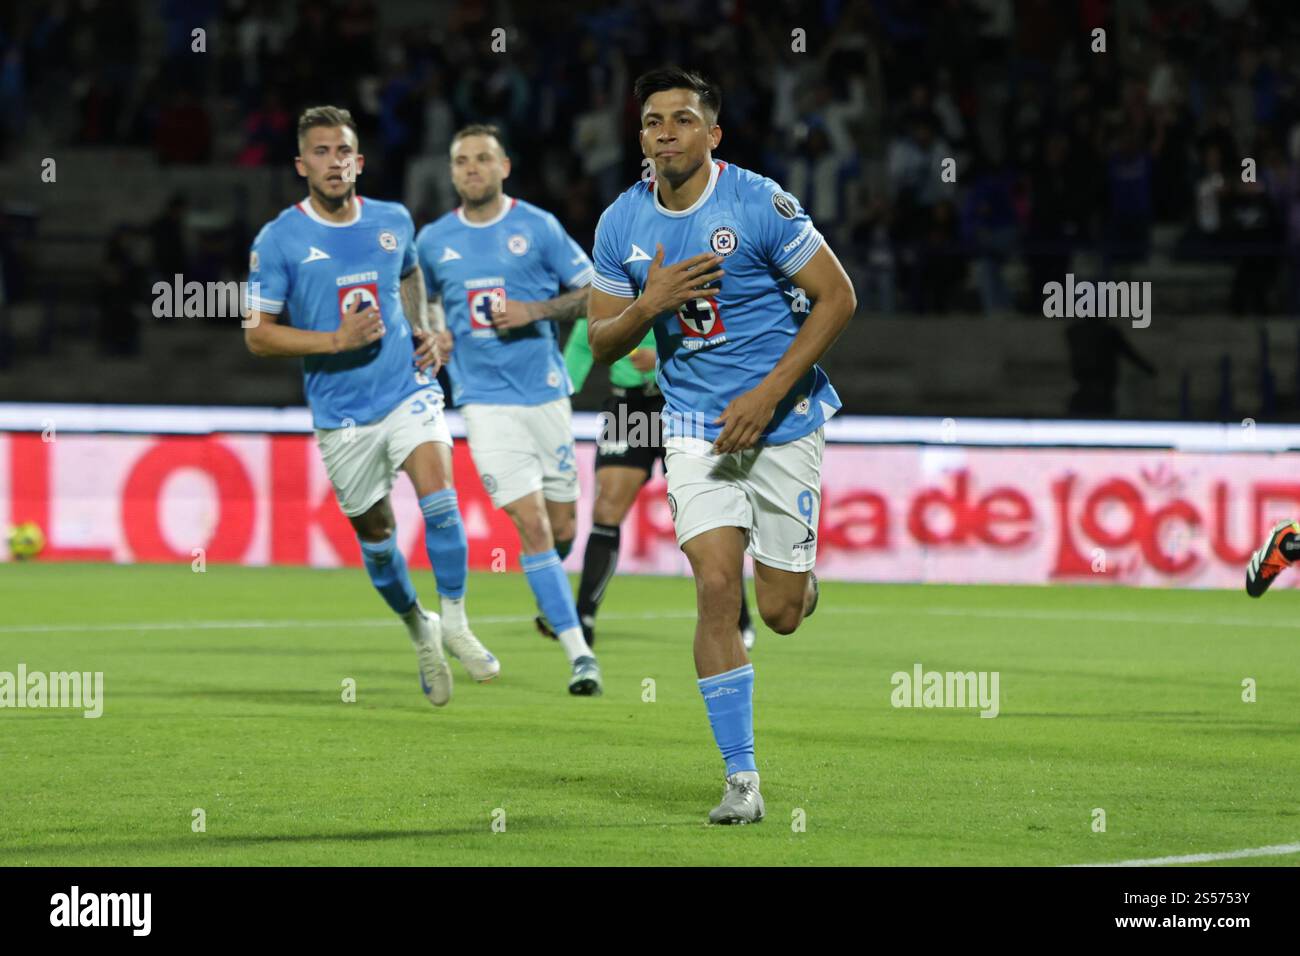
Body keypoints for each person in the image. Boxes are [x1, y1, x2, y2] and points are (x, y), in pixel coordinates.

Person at [587, 67, 857, 824]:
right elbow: (602, 343)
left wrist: (767, 395)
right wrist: (650, 303)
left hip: (782, 422)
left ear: (713, 133)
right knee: (713, 586)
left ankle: (799, 582)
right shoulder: (620, 223)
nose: (665, 133)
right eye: (652, 121)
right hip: (691, 428)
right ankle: (741, 778)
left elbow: (838, 297)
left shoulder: (758, 202)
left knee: (780, 613)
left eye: (682, 119)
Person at [243, 105, 498, 710]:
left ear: (359, 161)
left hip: (406, 388)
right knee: (377, 535)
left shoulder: (393, 219)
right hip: (342, 415)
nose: (335, 163)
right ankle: (420, 628)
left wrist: (426, 325)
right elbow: (257, 335)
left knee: (441, 499)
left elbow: (409, 275)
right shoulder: (279, 239)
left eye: (344, 152)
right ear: (302, 164)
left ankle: (456, 622)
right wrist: (335, 341)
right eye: (322, 152)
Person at [416, 124, 602, 696]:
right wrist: (436, 333)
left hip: (545, 394)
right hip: (483, 404)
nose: (472, 168)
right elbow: (423, 304)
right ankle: (581, 657)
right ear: (452, 173)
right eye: (461, 161)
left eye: (483, 158)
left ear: (504, 167)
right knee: (531, 523)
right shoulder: (433, 241)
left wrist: (533, 310)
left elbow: (596, 293)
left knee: (563, 527)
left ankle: (551, 593)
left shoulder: (538, 226)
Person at [560, 319, 757, 649]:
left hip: (680, 404)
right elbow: (578, 355)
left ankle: (739, 617)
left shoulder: (684, 297)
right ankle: (583, 618)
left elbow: (719, 346)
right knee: (606, 510)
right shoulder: (609, 302)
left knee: (709, 515)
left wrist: (662, 359)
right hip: (629, 408)